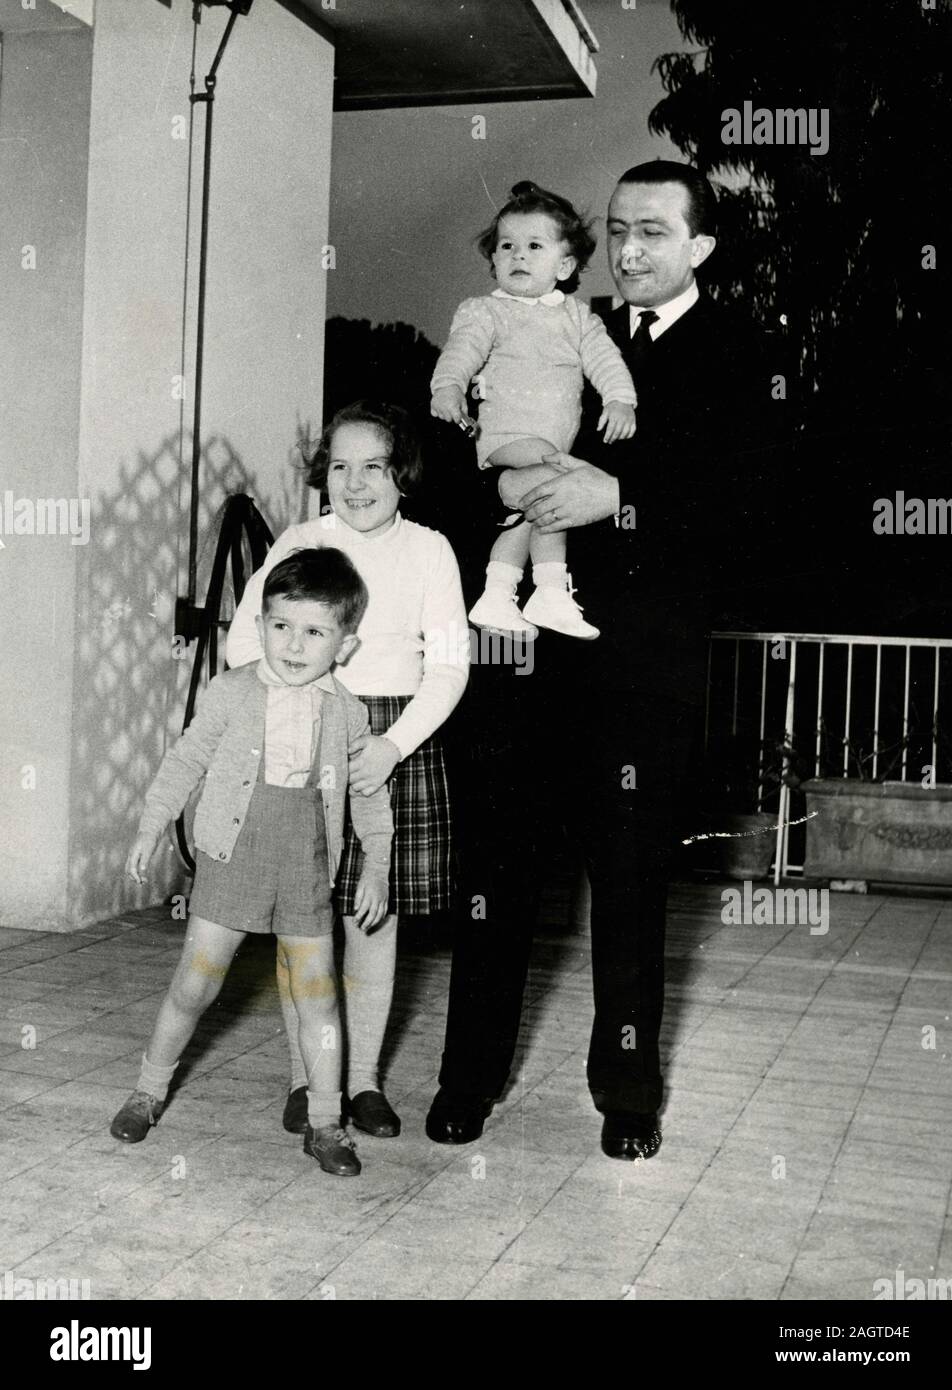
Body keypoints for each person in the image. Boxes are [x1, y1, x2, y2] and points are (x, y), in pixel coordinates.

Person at [428, 160, 785, 1160]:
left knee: (629, 887)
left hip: (641, 674)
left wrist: (616, 500)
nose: (629, 251)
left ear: (700, 246)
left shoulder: (742, 350)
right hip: (527, 663)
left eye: (654, 234)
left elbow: (757, 518)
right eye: (618, 231)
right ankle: (467, 1079)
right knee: (494, 877)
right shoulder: (549, 319)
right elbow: (469, 457)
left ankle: (627, 1095)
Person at [227, 400, 469, 1143]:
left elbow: (451, 666)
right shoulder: (301, 539)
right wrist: (308, 713)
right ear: (321, 473)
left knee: (374, 916)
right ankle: (308, 1077)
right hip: (306, 735)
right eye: (339, 466)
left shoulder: (430, 550)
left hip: (393, 739)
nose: (355, 483)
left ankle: (362, 1080)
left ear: (403, 475)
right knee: (304, 916)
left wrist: (392, 745)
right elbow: (244, 646)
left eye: (374, 467)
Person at [110, 548, 394, 1177]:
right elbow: (186, 759)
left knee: (319, 995)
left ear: (344, 646)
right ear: (260, 624)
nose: (294, 644)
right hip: (233, 853)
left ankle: (326, 1121)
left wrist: (378, 863)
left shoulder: (348, 712)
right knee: (196, 982)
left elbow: (369, 793)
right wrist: (151, 824)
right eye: (280, 625)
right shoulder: (232, 691)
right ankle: (148, 1091)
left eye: (315, 631)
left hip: (304, 862)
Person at [430, 180, 636, 640]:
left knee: (532, 507)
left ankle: (498, 595)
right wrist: (447, 388)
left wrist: (620, 399)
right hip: (506, 436)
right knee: (555, 490)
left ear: (564, 265)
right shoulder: (486, 312)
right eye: (507, 247)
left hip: (551, 444)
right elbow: (460, 352)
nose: (518, 256)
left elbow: (605, 360)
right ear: (494, 262)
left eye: (533, 246)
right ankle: (549, 590)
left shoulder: (579, 317)